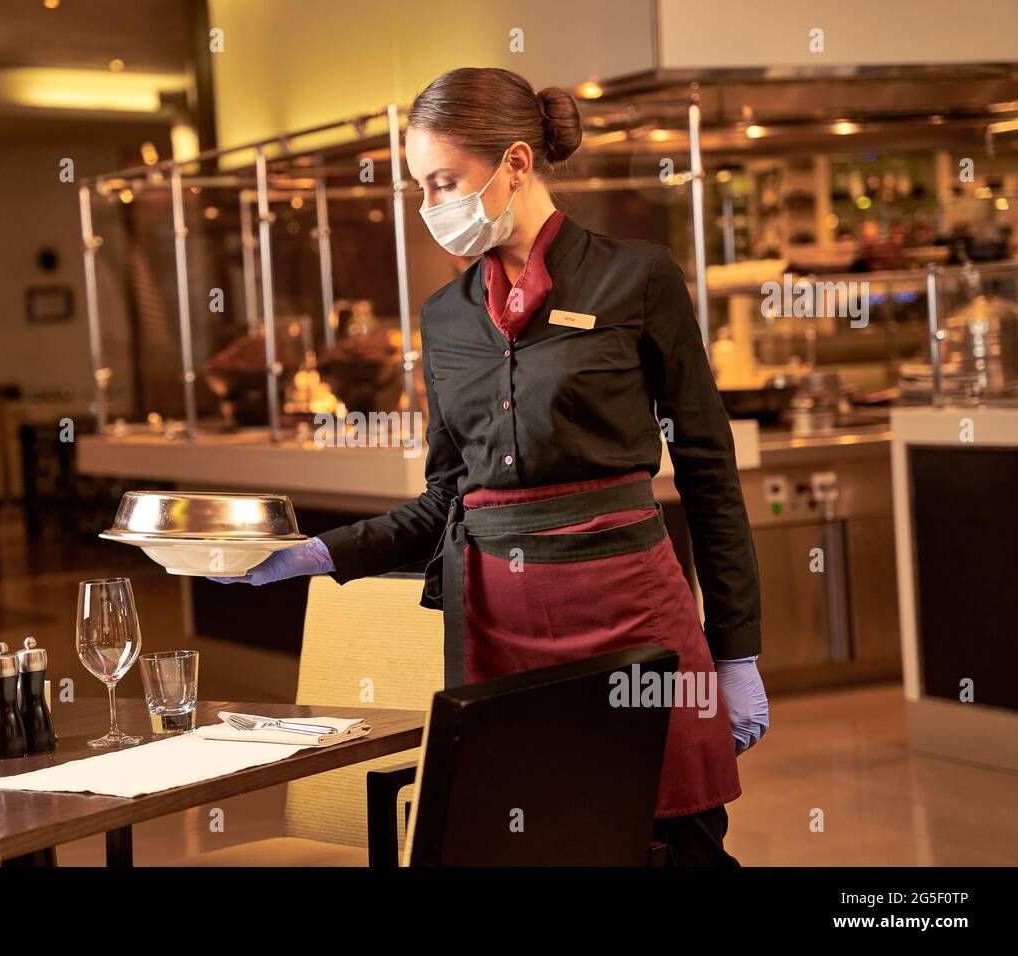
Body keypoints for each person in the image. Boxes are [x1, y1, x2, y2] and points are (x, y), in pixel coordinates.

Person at [213, 67, 768, 866]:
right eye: (421, 186)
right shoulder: (445, 319)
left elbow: (710, 473)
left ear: (514, 162)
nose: (432, 205)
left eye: (445, 181)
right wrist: (317, 555)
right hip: (496, 629)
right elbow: (446, 498)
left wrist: (738, 650)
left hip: (632, 617)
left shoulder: (638, 277)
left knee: (672, 841)